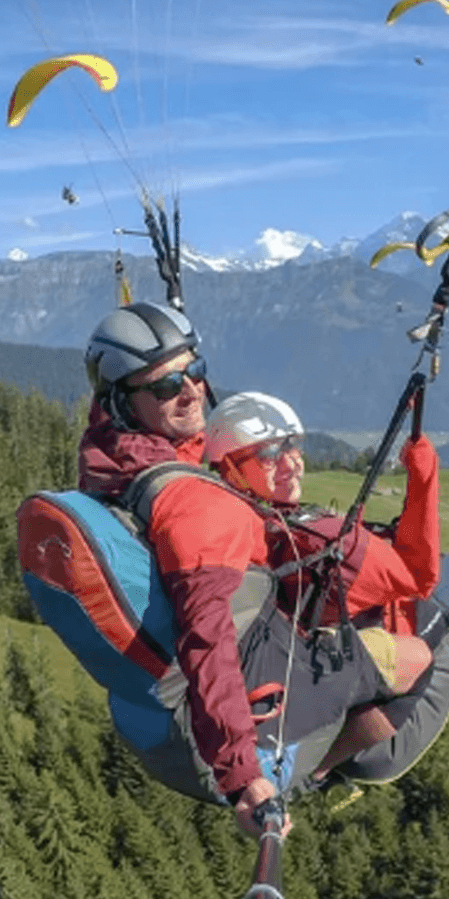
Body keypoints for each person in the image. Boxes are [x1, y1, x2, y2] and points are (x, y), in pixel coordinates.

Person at [77, 303, 386, 837]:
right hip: (223, 699)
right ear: (123, 404)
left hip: (145, 712)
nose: (192, 390)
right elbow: (207, 638)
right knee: (417, 653)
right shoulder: (193, 503)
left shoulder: (111, 458)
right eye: (168, 384)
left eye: (195, 371)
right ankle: (315, 770)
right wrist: (244, 777)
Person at [204, 391, 449, 784]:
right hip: (331, 678)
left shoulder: (237, 513)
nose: (291, 462)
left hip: (296, 646)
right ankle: (323, 766)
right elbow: (419, 575)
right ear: (231, 467)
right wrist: (424, 474)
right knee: (446, 596)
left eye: (293, 446)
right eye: (268, 454)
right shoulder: (317, 538)